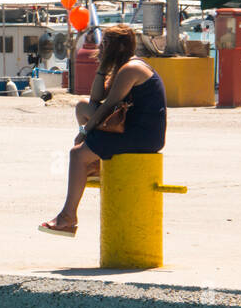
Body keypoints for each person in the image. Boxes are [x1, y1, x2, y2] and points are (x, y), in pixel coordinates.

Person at [40, 23, 166, 237]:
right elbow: (96, 98)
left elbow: (109, 106)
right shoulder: (121, 67)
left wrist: (85, 132)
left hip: (143, 135)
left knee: (77, 154)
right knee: (82, 106)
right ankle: (98, 166)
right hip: (128, 126)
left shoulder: (132, 69)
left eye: (106, 43)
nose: (101, 46)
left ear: (119, 46)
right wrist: (102, 67)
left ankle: (68, 217)